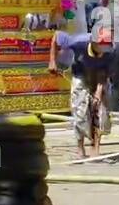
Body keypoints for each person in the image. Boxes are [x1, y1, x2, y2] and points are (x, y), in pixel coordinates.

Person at [48, 28, 115, 158]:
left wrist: (98, 93)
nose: (105, 48)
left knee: (100, 111)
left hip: (99, 76)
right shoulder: (79, 42)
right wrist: (52, 60)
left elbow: (105, 74)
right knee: (80, 111)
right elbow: (57, 36)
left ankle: (95, 147)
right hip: (80, 74)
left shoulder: (111, 52)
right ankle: (80, 147)